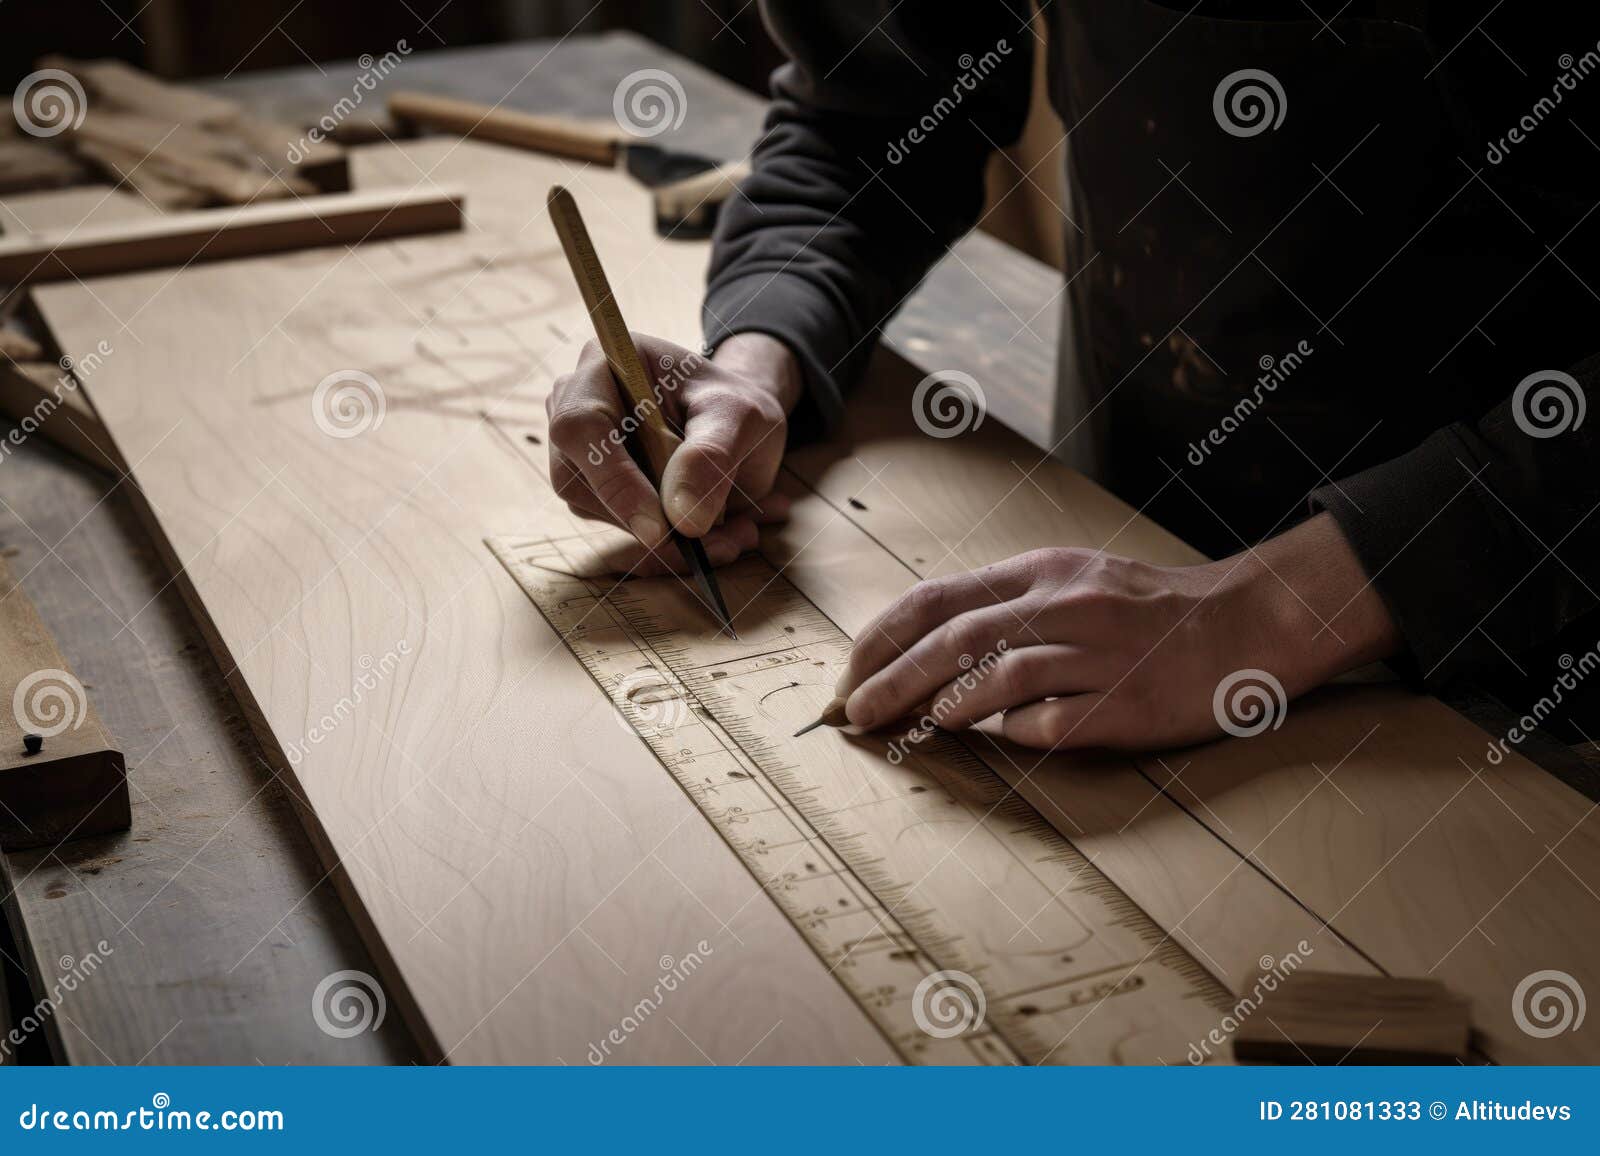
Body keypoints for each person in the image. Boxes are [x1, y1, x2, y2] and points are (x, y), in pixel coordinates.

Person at [547, 2, 1600, 752]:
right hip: (1125, 541)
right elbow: (866, 118)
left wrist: (1271, 610)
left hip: (1544, 647)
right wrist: (755, 362)